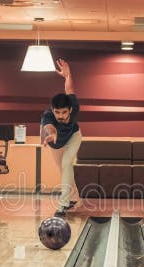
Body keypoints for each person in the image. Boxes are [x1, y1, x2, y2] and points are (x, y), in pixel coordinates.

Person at [41, 59, 82, 217]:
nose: (61, 116)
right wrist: (52, 134)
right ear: (53, 110)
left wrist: (67, 75)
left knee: (66, 164)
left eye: (64, 112)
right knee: (64, 169)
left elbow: (69, 88)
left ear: (70, 109)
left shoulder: (74, 104)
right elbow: (49, 127)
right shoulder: (49, 116)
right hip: (55, 143)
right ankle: (73, 199)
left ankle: (63, 204)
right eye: (57, 112)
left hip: (73, 136)